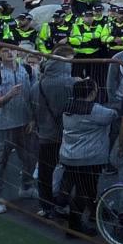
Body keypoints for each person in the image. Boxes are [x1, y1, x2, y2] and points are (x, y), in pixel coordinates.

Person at [58, 78, 119, 234]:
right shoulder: (95, 110)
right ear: (92, 93)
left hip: (68, 155)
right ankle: (75, 226)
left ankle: (93, 212)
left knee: (84, 188)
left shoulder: (67, 106)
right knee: (83, 191)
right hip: (89, 158)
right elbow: (113, 115)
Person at [0, 45, 37, 214]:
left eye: (12, 50)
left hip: (25, 124)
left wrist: (33, 119)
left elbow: (34, 98)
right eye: (5, 51)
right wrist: (9, 95)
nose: (10, 53)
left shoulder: (29, 70)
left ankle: (26, 186)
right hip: (2, 126)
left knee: (30, 158)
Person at [32, 45, 76, 218]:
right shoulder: (70, 83)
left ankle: (46, 205)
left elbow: (33, 110)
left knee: (45, 172)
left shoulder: (37, 85)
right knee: (71, 171)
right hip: (67, 135)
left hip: (45, 135)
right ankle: (62, 201)